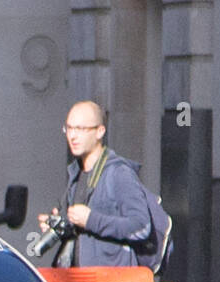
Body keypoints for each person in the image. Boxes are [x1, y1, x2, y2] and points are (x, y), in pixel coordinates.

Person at [38, 100, 150, 271]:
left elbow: (141, 227)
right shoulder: (76, 173)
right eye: (69, 128)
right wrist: (59, 224)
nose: (72, 136)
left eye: (81, 129)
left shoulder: (119, 173)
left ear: (100, 131)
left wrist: (91, 220)